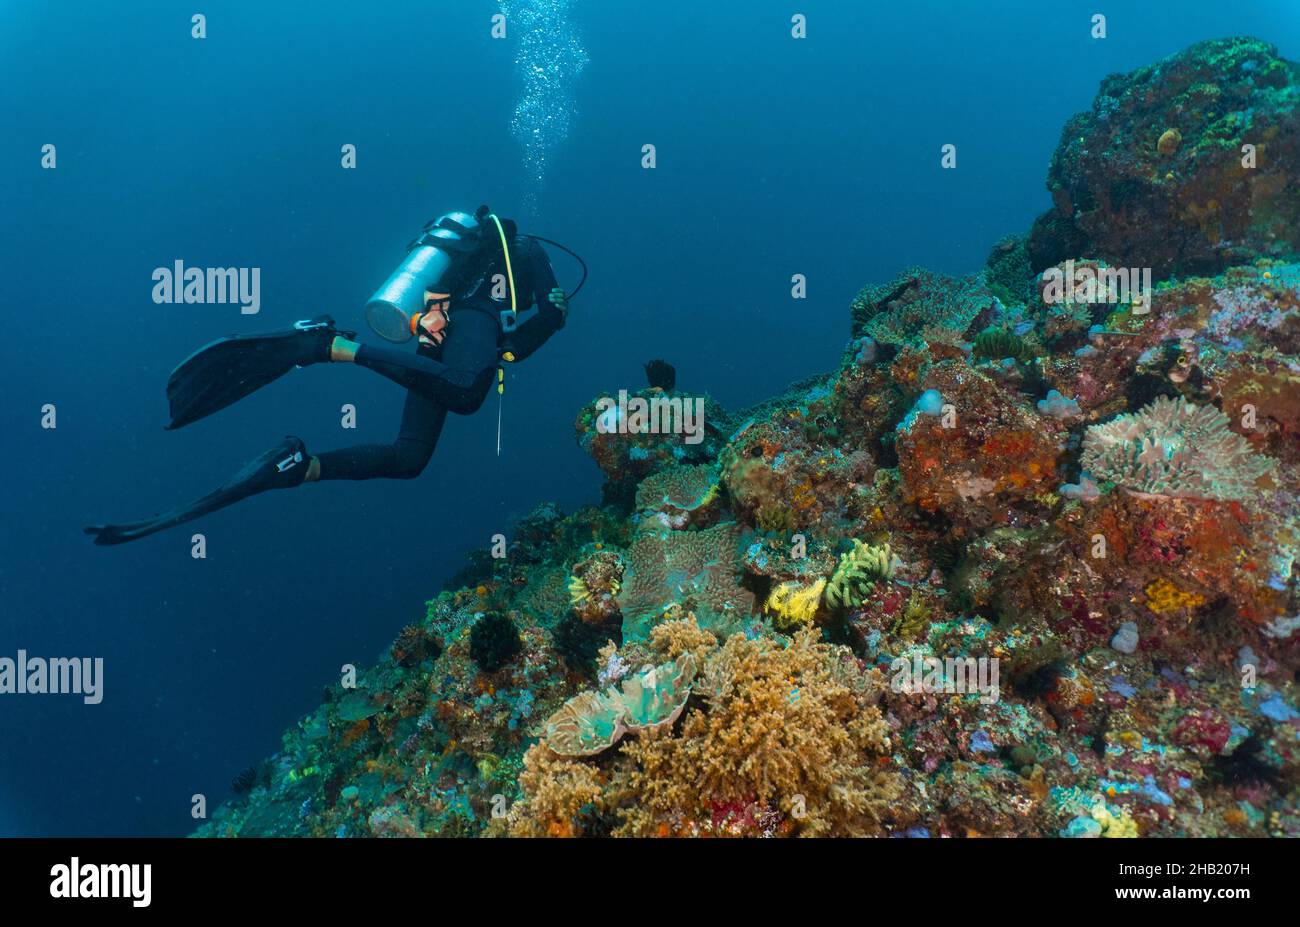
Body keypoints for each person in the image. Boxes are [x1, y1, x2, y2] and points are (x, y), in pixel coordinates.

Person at [85, 213, 568, 545]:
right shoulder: (526, 250)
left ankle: (299, 465)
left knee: (409, 457)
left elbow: (435, 297)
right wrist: (509, 348)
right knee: (465, 392)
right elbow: (552, 313)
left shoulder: (469, 252)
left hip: (435, 324)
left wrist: (457, 335)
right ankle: (327, 345)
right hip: (472, 320)